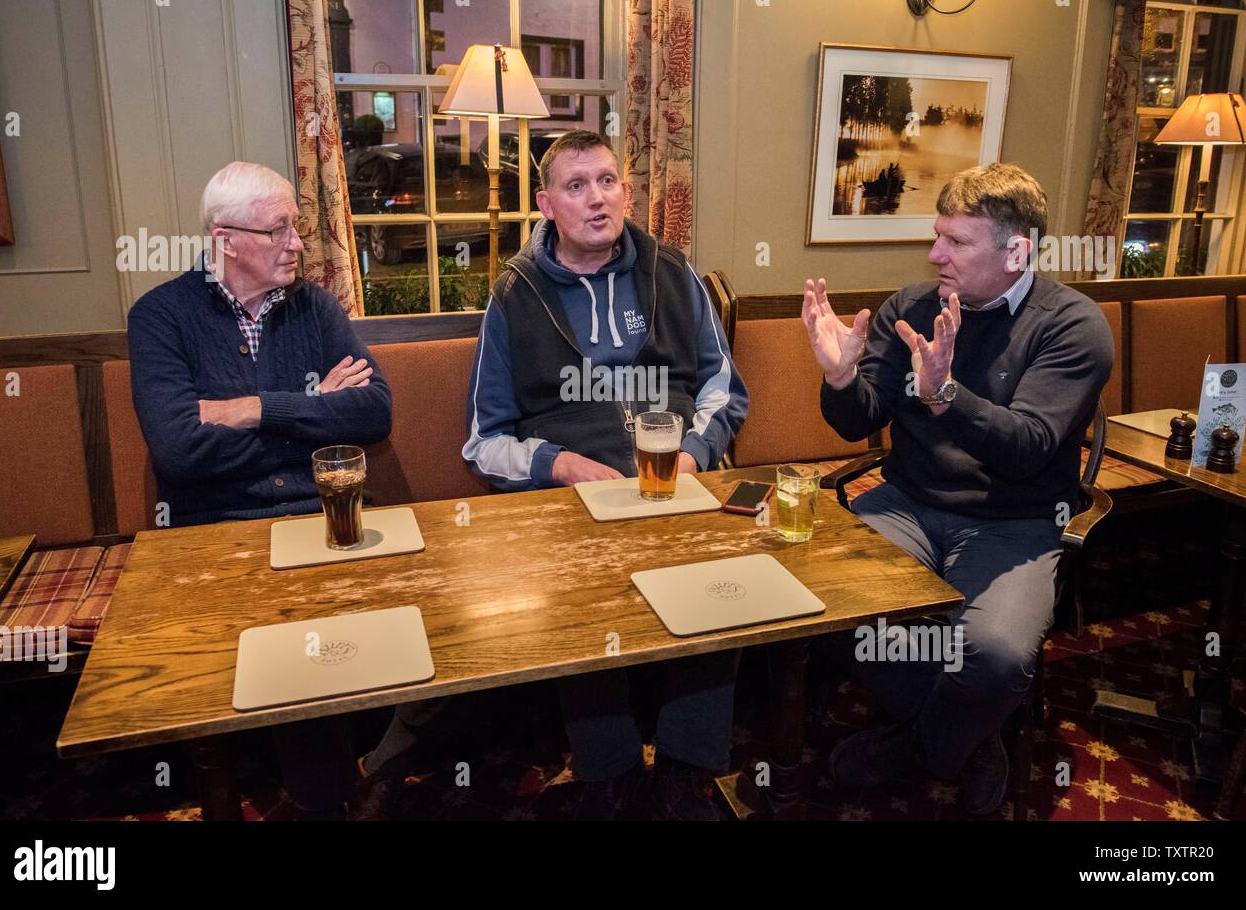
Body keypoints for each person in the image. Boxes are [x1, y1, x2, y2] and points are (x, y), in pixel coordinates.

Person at [802, 163, 1113, 815]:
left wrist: (946, 394)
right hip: (907, 502)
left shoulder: (1072, 326)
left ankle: (920, 747)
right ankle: (966, 737)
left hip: (1014, 519)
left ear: (1017, 249)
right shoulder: (912, 307)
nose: (934, 253)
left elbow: (1028, 448)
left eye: (957, 241)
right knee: (811, 605)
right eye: (937, 234)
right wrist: (838, 377)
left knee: (997, 657)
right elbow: (860, 417)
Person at [462, 129, 749, 819]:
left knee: (726, 578)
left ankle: (687, 769)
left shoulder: (676, 274)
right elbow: (484, 440)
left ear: (627, 190)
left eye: (608, 180)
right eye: (577, 185)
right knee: (577, 587)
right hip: (572, 507)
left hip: (675, 483)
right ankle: (611, 770)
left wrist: (694, 454)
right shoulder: (513, 295)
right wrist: (558, 464)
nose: (598, 199)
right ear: (546, 203)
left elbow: (723, 390)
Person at [128, 161, 393, 818]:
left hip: (323, 516)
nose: (298, 243)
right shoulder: (160, 317)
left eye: (296, 227)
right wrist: (309, 411)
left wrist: (247, 409)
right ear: (226, 240)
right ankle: (332, 797)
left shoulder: (316, 307)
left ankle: (365, 772)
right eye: (279, 230)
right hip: (214, 530)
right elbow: (180, 450)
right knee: (296, 636)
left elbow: (373, 413)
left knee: (434, 617)